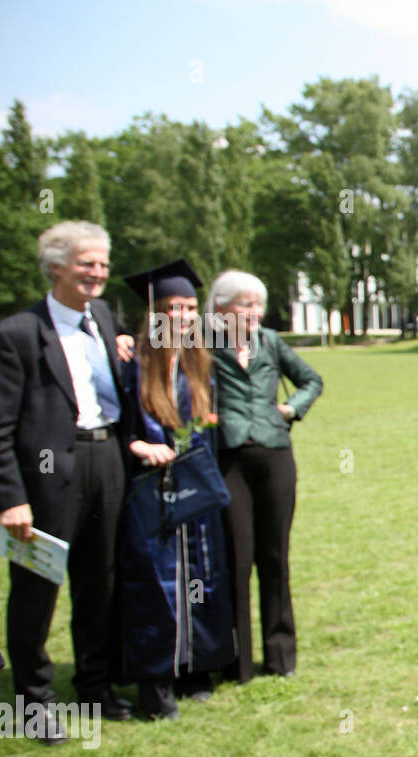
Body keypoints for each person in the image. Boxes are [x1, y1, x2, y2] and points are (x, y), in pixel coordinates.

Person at [0, 220, 135, 743]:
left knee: (99, 583)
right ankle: (33, 705)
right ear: (56, 267)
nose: (97, 273)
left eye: (102, 263)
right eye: (86, 263)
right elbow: (1, 427)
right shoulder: (17, 334)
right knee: (37, 591)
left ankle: (95, 687)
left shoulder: (102, 316)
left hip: (107, 460)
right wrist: (10, 498)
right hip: (48, 475)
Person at [117, 259, 235, 720]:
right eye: (174, 307)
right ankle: (156, 681)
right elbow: (114, 428)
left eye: (190, 307)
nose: (184, 315)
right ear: (156, 312)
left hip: (195, 491)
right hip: (148, 492)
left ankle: (196, 668)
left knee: (201, 576)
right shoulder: (131, 364)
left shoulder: (199, 363)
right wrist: (139, 445)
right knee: (154, 583)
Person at [208, 271, 322, 683]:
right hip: (228, 459)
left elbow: (312, 380)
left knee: (275, 557)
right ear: (220, 308)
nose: (253, 312)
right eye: (244, 304)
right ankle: (235, 662)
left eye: (257, 304)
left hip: (275, 456)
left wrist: (290, 409)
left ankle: (280, 656)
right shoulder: (201, 343)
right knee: (236, 560)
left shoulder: (270, 342)